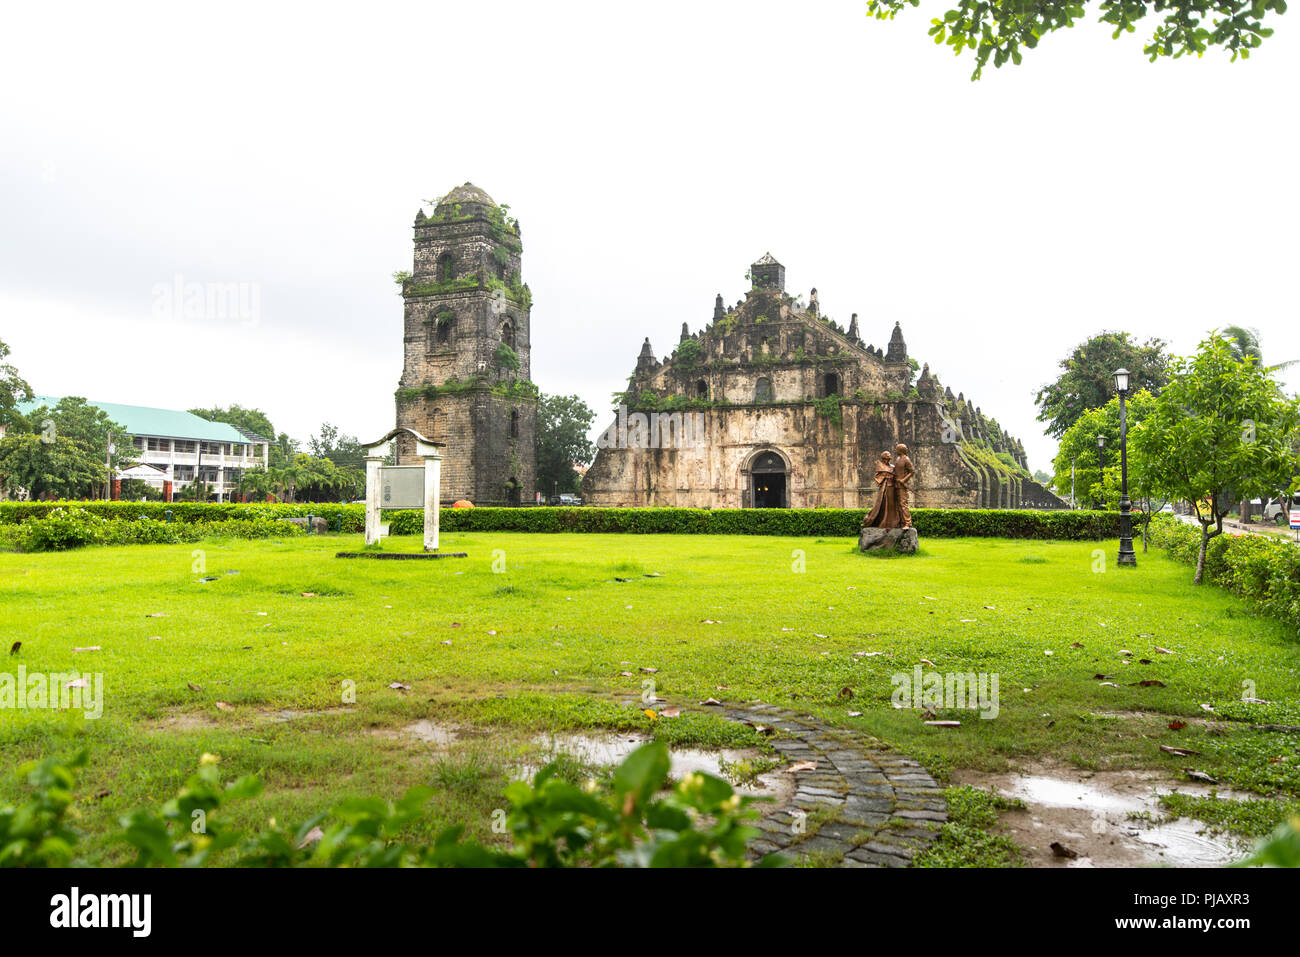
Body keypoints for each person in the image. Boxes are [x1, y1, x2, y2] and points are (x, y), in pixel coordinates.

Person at [861, 450, 901, 528]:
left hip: (893, 487)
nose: (890, 455)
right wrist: (886, 476)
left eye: (890, 454)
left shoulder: (893, 466)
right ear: (884, 457)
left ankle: (893, 523)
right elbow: (877, 476)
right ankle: (884, 522)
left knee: (893, 505)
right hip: (886, 487)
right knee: (885, 504)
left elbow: (897, 475)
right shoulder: (880, 466)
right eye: (888, 454)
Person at [893, 443, 916, 529]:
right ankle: (901, 522)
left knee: (903, 504)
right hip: (896, 484)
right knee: (898, 504)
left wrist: (904, 480)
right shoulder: (898, 459)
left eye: (897, 449)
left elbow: (912, 471)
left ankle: (907, 523)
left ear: (900, 450)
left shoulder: (906, 459)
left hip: (902, 485)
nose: (896, 451)